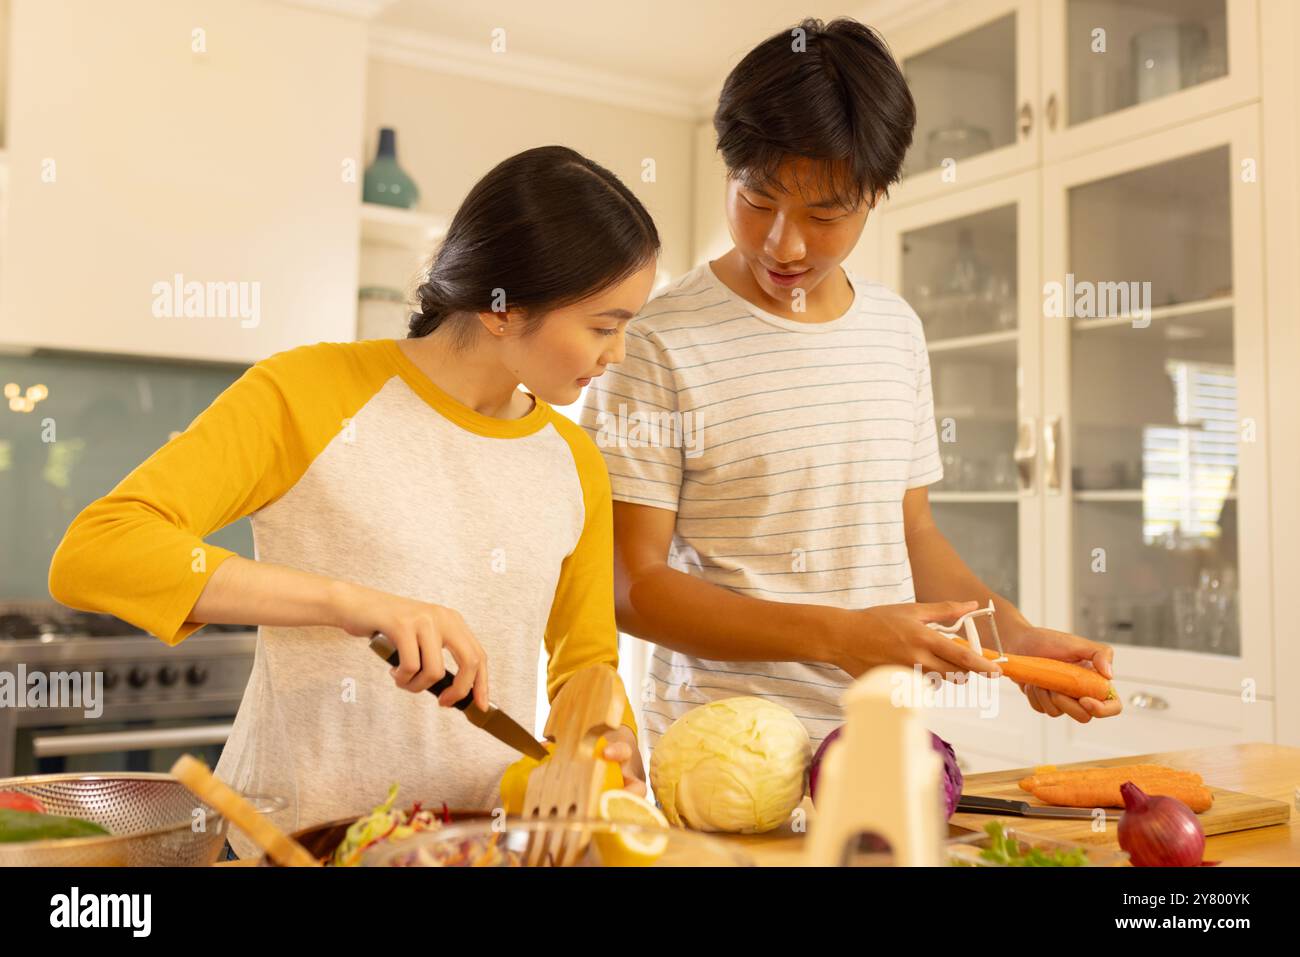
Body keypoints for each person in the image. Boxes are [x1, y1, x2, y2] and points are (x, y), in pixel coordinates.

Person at [50, 145, 655, 858]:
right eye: (603, 326)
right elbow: (97, 550)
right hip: (290, 842)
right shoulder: (311, 391)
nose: (615, 354)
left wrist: (603, 740)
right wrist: (352, 603)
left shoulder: (573, 460)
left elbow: (585, 663)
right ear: (503, 308)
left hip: (467, 849)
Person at [580, 19, 1121, 756]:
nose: (783, 243)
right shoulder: (652, 339)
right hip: (720, 758)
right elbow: (629, 586)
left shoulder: (896, 330)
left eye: (824, 213)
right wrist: (842, 636)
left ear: (876, 194)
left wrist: (1014, 634)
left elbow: (913, 533)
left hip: (879, 748)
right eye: (758, 198)